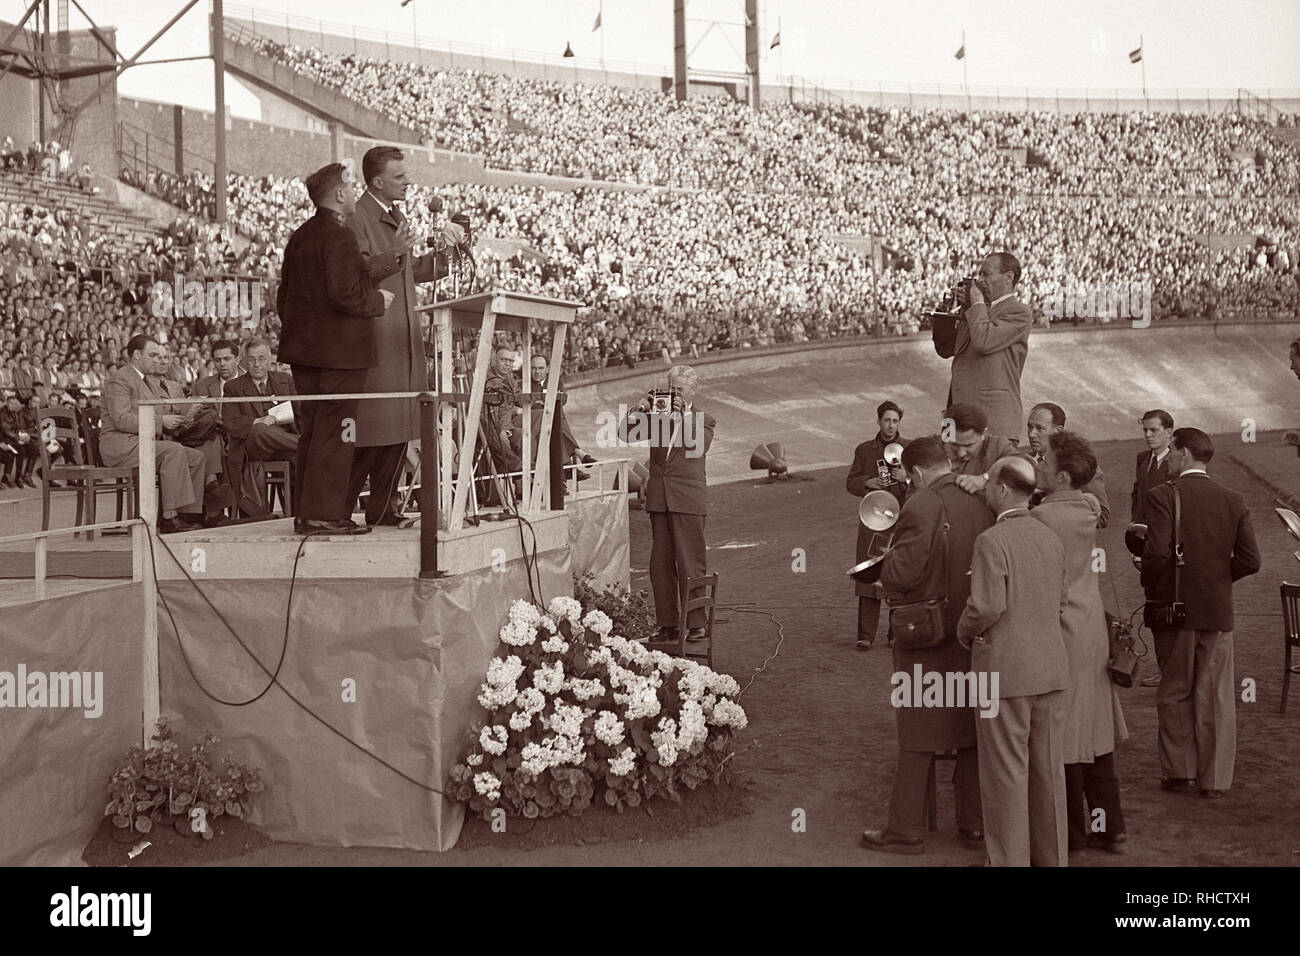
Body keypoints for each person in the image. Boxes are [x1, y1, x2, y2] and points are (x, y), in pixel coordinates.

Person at [861, 436, 991, 855]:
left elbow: (902, 573)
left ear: (915, 472)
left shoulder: (920, 505)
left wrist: (883, 569)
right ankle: (973, 823)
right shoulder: (980, 499)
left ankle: (907, 828)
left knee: (917, 732)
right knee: (969, 728)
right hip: (973, 634)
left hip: (927, 637)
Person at [957, 456, 1071, 867]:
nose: (986, 488)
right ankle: (1051, 860)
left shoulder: (992, 540)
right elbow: (1060, 603)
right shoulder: (1049, 536)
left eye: (989, 482)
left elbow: (986, 606)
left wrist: (963, 631)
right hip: (1051, 669)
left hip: (1004, 674)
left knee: (1006, 775)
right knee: (1048, 774)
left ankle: (1007, 861)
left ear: (1003, 489)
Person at [276, 162, 396, 536]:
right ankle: (326, 516)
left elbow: (285, 298)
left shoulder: (301, 235)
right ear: (340, 194)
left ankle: (307, 514)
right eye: (349, 184)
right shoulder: (340, 237)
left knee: (312, 434)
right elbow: (344, 294)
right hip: (340, 356)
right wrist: (378, 301)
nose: (354, 189)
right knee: (339, 434)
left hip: (305, 354)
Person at [1140, 428, 1261, 799]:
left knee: (1175, 691)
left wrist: (1147, 577)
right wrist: (1217, 577)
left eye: (1173, 451)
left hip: (1175, 610)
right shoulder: (1234, 499)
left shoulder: (1161, 496)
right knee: (1216, 696)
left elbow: (1158, 554)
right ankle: (1215, 778)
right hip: (1218, 611)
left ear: (1185, 453)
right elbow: (1250, 560)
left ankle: (1180, 771)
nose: (1170, 458)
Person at [344, 146, 461, 527]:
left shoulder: (395, 215)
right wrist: (399, 250)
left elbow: (412, 270)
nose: (407, 181)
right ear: (378, 181)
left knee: (400, 427)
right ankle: (342, 509)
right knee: (374, 430)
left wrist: (446, 254)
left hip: (402, 337)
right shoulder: (357, 217)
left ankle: (384, 506)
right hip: (376, 337)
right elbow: (356, 273)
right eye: (399, 177)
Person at [1031, 431, 1128, 855]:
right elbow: (1092, 494)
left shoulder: (1040, 519)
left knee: (1061, 733)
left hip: (1060, 630)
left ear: (1064, 474)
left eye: (1045, 460)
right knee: (1094, 726)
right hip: (1092, 628)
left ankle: (1071, 833)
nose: (1039, 464)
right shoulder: (1088, 507)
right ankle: (1111, 826)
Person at [623, 365, 715, 642]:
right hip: (660, 498)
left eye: (680, 390)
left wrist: (682, 414)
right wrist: (638, 410)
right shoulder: (657, 416)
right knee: (659, 565)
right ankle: (668, 624)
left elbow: (699, 444)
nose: (674, 395)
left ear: (693, 391)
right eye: (671, 388)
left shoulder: (704, 419)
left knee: (690, 562)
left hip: (688, 497)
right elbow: (625, 435)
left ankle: (697, 622)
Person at [98, 335, 209, 534]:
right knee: (174, 451)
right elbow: (121, 419)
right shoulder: (121, 379)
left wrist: (181, 417)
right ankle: (169, 518)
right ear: (137, 355)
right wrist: (161, 422)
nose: (157, 360)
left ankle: (189, 516)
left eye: (159, 355)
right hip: (122, 446)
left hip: (142, 443)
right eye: (153, 355)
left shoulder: (147, 381)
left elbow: (155, 413)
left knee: (196, 457)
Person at [845, 400, 911, 649]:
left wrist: (906, 478)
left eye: (895, 420)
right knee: (868, 574)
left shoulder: (909, 448)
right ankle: (865, 635)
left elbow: (924, 481)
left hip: (901, 519)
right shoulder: (864, 450)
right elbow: (850, 482)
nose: (891, 425)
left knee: (899, 576)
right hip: (872, 521)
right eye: (887, 420)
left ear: (899, 423)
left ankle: (896, 633)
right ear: (878, 421)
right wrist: (867, 482)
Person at [947, 252, 1033, 442]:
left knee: (994, 472)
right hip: (957, 416)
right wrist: (951, 309)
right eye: (979, 275)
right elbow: (946, 350)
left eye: (986, 274)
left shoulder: (1019, 312)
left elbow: (983, 342)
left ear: (1008, 277)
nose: (980, 280)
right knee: (947, 470)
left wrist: (976, 303)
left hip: (994, 421)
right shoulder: (975, 311)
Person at [1024, 402, 1110, 527]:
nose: (1032, 434)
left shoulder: (1078, 463)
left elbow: (1102, 516)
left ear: (1058, 430)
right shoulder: (1024, 462)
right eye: (1029, 427)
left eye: (1039, 428)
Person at [943, 402, 1017, 490]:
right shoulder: (938, 445)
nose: (961, 453)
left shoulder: (998, 446)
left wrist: (987, 478)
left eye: (969, 445)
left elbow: (1031, 472)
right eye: (954, 444)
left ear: (984, 433)